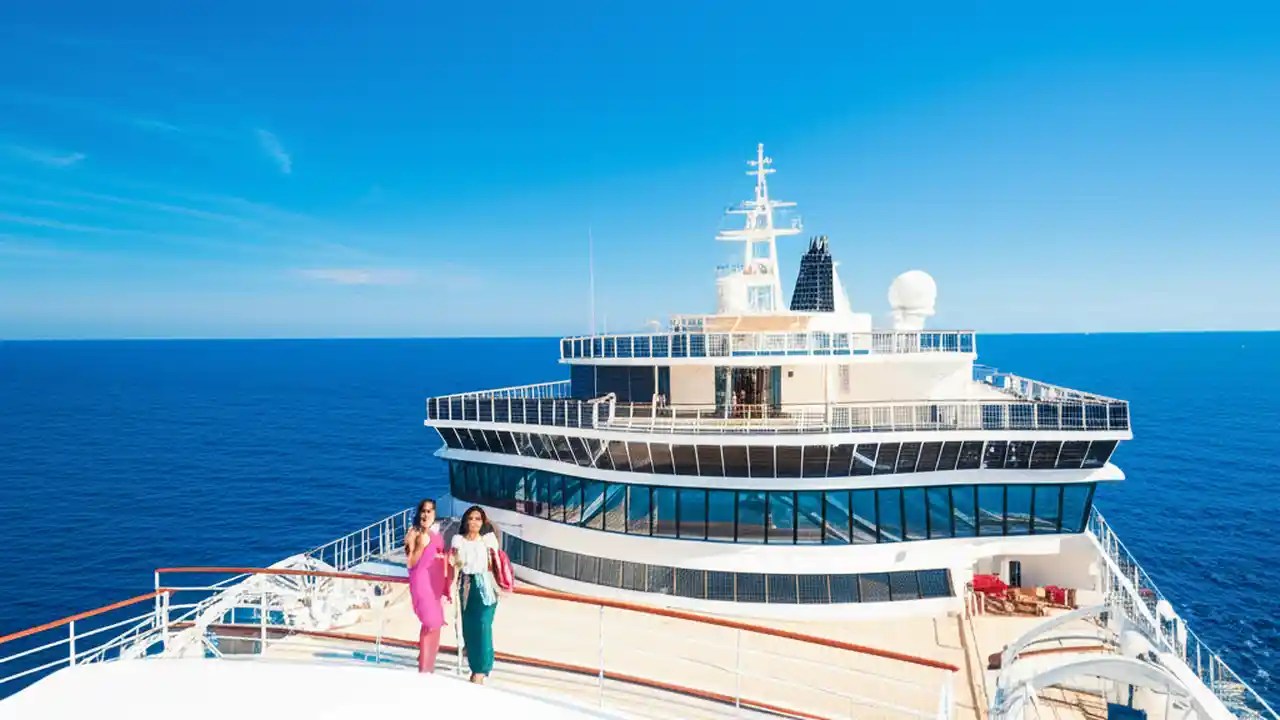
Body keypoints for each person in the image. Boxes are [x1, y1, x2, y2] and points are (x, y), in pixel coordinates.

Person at [447, 505, 500, 684]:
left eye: (478, 519)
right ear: (465, 521)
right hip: (467, 586)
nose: (474, 522)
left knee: (484, 626)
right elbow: (455, 565)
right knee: (469, 628)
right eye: (471, 518)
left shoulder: (488, 540)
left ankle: (482, 669)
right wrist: (451, 587)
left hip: (486, 585)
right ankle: (475, 667)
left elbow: (496, 563)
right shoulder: (458, 540)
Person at [405, 498, 447, 673]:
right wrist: (421, 546)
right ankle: (425, 667)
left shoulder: (435, 534)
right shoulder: (413, 533)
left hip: (435, 582)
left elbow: (438, 554)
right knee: (431, 621)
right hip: (421, 581)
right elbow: (410, 563)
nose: (426, 514)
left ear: (434, 514)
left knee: (434, 624)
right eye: (423, 510)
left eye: (429, 511)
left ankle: (428, 661)